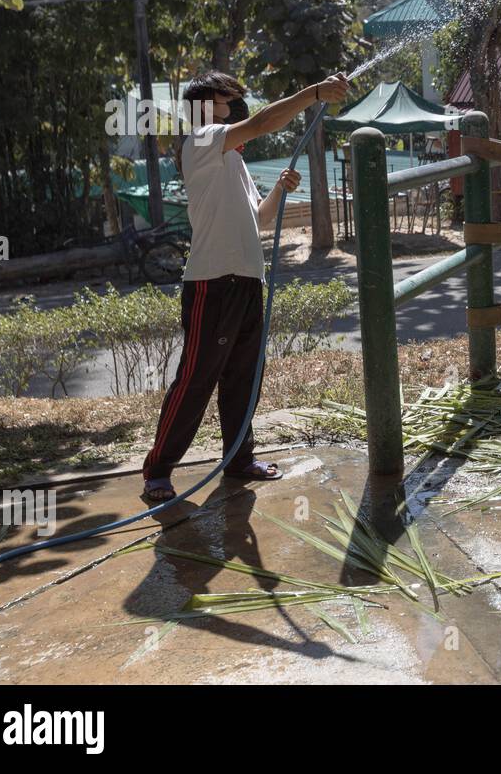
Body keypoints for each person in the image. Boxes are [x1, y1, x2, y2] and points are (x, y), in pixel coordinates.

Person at [142, 69, 350, 502]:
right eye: (227, 100)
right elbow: (260, 125)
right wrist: (311, 91)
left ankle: (238, 460)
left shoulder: (232, 160)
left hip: (247, 281)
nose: (236, 107)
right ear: (205, 107)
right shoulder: (200, 141)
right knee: (197, 378)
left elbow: (260, 218)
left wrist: (278, 190)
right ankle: (158, 469)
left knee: (241, 377)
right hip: (211, 282)